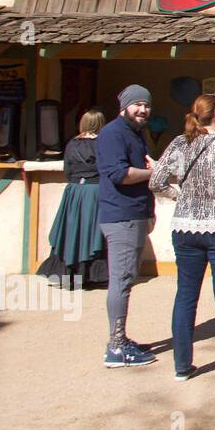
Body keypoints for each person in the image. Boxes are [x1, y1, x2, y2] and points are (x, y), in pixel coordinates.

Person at [149, 93, 215, 381]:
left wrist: (179, 195)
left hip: (185, 227)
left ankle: (182, 366)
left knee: (185, 296)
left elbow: (156, 181)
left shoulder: (179, 143)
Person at [96, 85, 158, 368]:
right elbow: (120, 174)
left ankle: (120, 339)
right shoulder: (112, 134)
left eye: (146, 105)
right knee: (121, 280)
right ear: (125, 106)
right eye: (138, 105)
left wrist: (149, 210)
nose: (143, 110)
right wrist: (154, 173)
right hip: (120, 216)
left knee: (127, 277)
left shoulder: (135, 134)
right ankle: (116, 346)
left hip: (134, 213)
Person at [36, 109, 109, 289]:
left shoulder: (71, 144)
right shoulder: (103, 143)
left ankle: (68, 274)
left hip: (74, 191)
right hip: (95, 191)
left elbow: (67, 171)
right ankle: (91, 275)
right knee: (92, 232)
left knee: (72, 231)